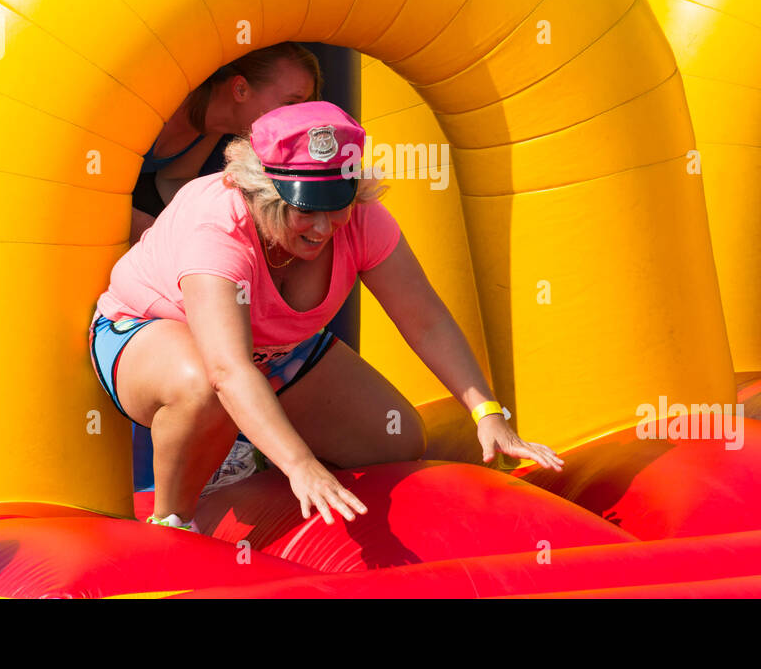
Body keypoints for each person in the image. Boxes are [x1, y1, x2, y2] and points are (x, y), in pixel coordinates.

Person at [89, 101, 564, 533]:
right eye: (305, 209)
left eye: (335, 205)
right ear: (258, 189)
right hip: (151, 337)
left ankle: (242, 478)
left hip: (271, 353)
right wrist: (299, 462)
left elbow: (427, 320)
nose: (322, 227)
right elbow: (225, 369)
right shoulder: (217, 227)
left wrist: (487, 413)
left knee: (393, 440)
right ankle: (173, 519)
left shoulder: (360, 218)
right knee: (203, 388)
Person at [130, 42, 321, 246]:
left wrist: (208, 229)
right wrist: (157, 233)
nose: (297, 119)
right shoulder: (164, 102)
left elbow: (174, 177)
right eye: (290, 103)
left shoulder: (214, 125)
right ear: (240, 89)